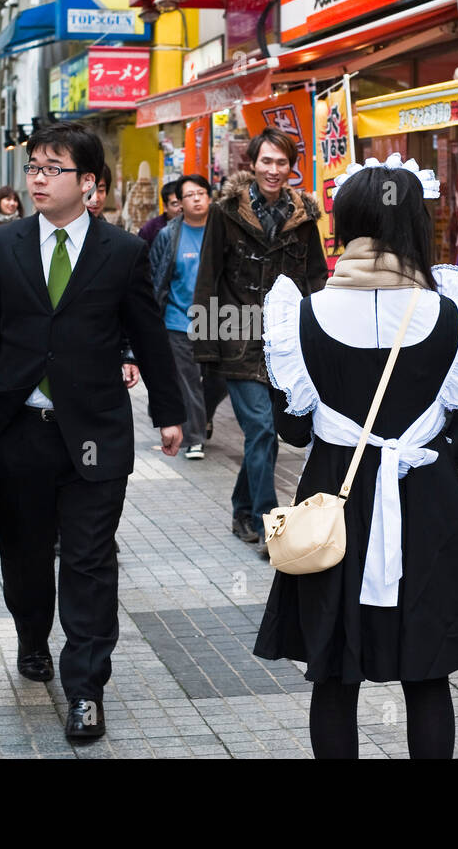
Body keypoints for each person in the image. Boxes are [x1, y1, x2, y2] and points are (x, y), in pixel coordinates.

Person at [255, 156, 458, 759]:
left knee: (334, 675)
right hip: (428, 501)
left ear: (345, 220)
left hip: (334, 499)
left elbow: (294, 431)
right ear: (415, 224)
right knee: (428, 673)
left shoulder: (297, 315)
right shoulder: (456, 314)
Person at [0, 121, 185, 741]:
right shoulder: (1, 245)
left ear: (88, 182)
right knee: (26, 555)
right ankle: (32, 635)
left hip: (96, 431)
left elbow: (148, 334)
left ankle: (85, 687)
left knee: (89, 559)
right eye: (33, 166)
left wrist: (169, 412)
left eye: (52, 168)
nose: (37, 178)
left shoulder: (123, 251)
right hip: (20, 431)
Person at [193, 127, 328, 555]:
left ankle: (241, 509)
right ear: (252, 164)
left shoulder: (304, 217)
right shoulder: (225, 212)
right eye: (266, 161)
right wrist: (205, 347)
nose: (273, 169)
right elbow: (208, 277)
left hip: (285, 343)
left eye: (281, 162)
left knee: (262, 436)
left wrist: (322, 335)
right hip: (236, 338)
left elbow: (316, 279)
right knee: (262, 430)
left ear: (292, 167)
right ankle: (270, 524)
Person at [149, 173, 227, 460]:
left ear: (210, 197)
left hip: (218, 321)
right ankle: (195, 438)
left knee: (220, 380)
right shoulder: (168, 235)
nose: (196, 199)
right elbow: (155, 277)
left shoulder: (223, 232)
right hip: (177, 321)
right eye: (189, 195)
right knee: (189, 382)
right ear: (180, 203)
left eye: (201, 193)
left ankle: (201, 418)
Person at [137, 177, 180, 245]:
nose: (181, 207)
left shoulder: (195, 225)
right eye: (175, 204)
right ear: (165, 207)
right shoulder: (150, 229)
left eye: (183, 202)